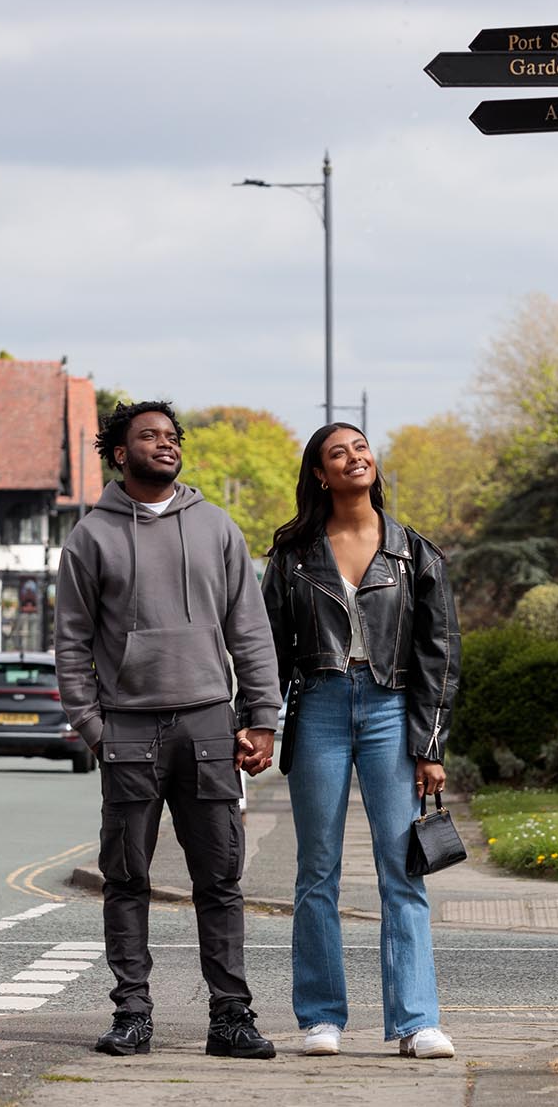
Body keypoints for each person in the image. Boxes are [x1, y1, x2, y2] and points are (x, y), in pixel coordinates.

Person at [55, 400, 282, 1060]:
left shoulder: (216, 527)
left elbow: (249, 630)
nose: (166, 444)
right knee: (126, 878)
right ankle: (132, 1014)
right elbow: (70, 643)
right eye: (149, 436)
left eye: (171, 435)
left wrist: (262, 718)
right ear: (119, 453)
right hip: (127, 727)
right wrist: (93, 726)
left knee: (220, 879)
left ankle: (231, 1017)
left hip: (209, 721)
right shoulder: (90, 537)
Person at [262, 422, 460, 1059]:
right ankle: (321, 1018)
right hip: (317, 706)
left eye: (361, 447)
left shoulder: (415, 554)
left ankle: (417, 1021)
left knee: (402, 868)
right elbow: (267, 648)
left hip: (391, 710)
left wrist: (431, 744)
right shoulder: (292, 555)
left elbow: (440, 656)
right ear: (320, 474)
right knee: (316, 870)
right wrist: (256, 719)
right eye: (338, 452)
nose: (354, 457)